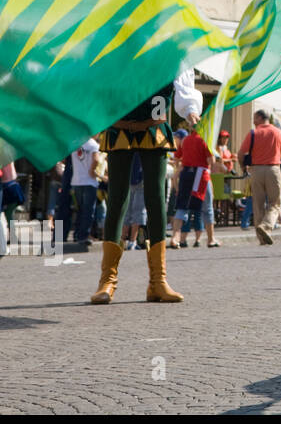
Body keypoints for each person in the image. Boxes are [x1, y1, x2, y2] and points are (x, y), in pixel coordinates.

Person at [90, 69, 201, 304]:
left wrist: (190, 108)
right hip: (119, 126)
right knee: (117, 198)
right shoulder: (117, 46)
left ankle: (158, 281)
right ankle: (107, 280)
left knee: (156, 198)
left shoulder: (170, 49)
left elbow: (183, 84)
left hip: (155, 128)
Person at [239, 110, 281, 245]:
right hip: (273, 169)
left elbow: (241, 154)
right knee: (275, 203)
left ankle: (262, 239)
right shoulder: (278, 132)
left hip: (256, 169)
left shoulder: (253, 133)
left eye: (255, 118)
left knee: (258, 205)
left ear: (260, 118)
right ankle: (266, 226)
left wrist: (243, 168)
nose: (254, 121)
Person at [169, 128, 210, 249]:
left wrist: (176, 186)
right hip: (199, 174)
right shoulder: (204, 140)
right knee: (198, 209)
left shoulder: (185, 141)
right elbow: (210, 160)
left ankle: (176, 238)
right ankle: (201, 239)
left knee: (182, 209)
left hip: (186, 173)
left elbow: (176, 160)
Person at [69, 138, 102, 247]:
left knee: (79, 209)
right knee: (88, 210)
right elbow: (96, 160)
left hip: (76, 180)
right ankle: (83, 236)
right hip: (89, 181)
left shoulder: (74, 143)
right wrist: (92, 171)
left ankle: (77, 234)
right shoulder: (93, 144)